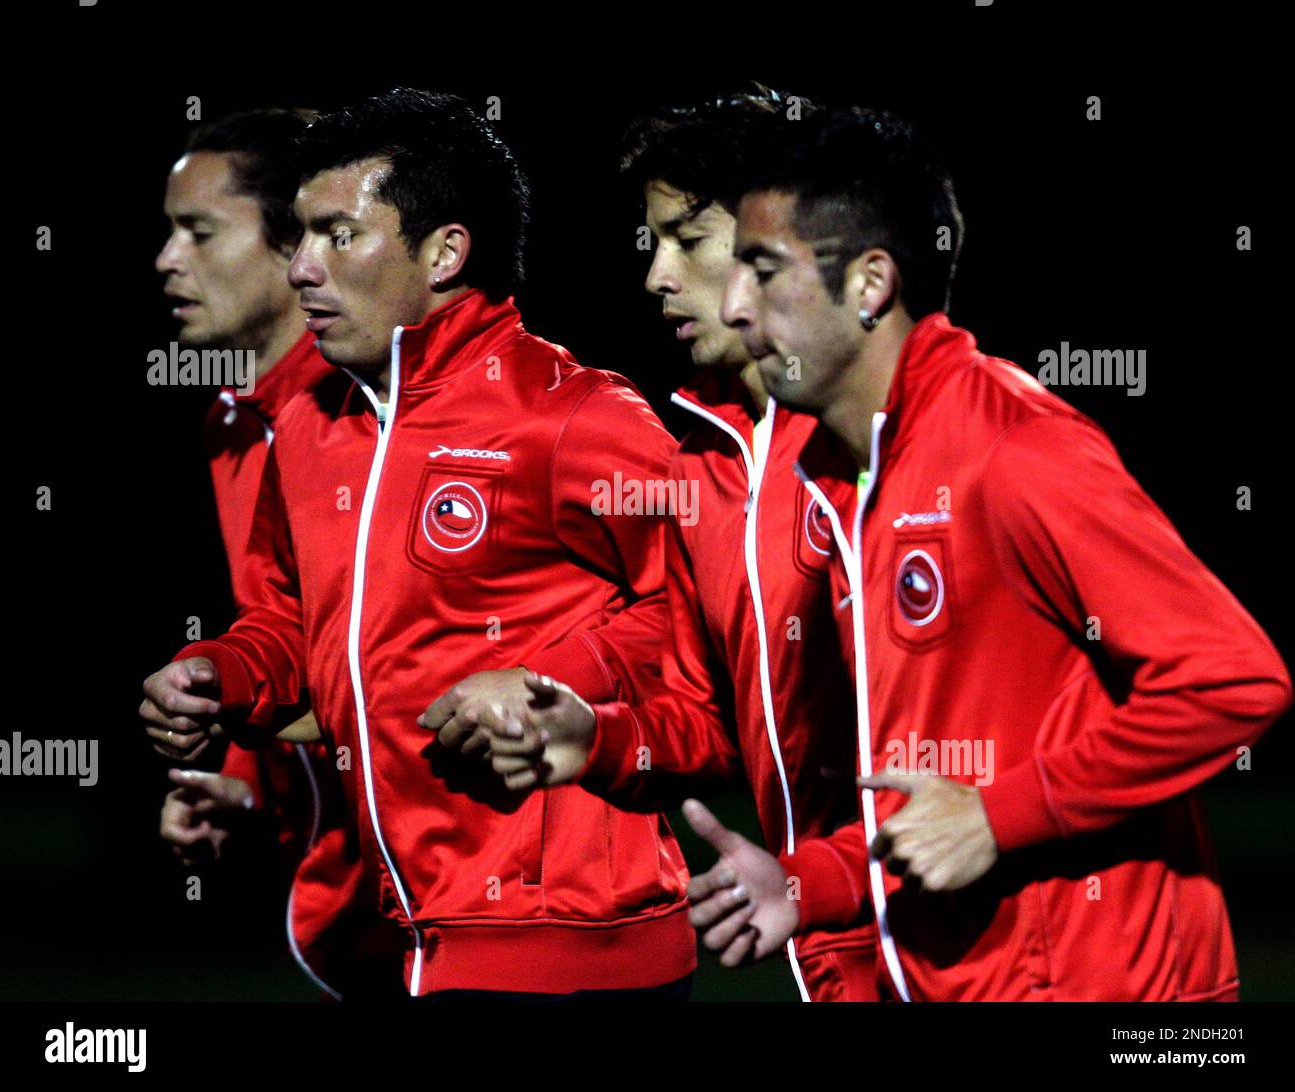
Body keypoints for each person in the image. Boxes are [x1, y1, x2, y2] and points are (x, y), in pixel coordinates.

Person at [683, 105, 1291, 1000]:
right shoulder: (852, 480)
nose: (736, 307)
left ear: (870, 284)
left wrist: (1005, 818)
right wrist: (815, 883)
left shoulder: (1013, 448)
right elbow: (942, 784)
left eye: (764, 271)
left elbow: (1234, 680)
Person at [140, 88, 693, 998]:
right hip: (410, 934)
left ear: (444, 253)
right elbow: (290, 622)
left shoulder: (572, 412)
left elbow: (705, 613)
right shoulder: (316, 429)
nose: (303, 269)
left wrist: (554, 682)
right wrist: (222, 674)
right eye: (301, 237)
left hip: (569, 937)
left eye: (337, 236)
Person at [448, 90, 880, 1001]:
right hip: (838, 954)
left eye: (690, 237)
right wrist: (589, 736)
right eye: (659, 241)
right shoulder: (707, 467)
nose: (657, 276)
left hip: (1010, 959)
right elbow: (708, 719)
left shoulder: (927, 438)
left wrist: (993, 813)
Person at [154, 108, 397, 999]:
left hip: (456, 897)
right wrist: (251, 780)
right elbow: (292, 633)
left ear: (294, 241)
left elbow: (405, 665)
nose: (167, 261)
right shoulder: (231, 419)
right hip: (347, 897)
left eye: (199, 231)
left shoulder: (379, 415)